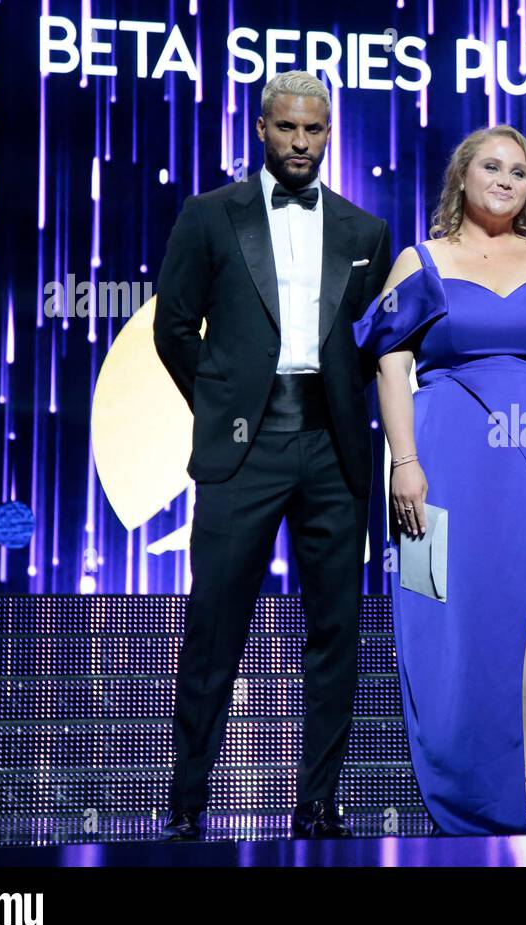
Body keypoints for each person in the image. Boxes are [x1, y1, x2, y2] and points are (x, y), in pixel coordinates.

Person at [152, 70, 392, 841]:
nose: (299, 142)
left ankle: (318, 804)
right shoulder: (210, 215)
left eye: (313, 130)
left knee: (335, 633)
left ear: (329, 135)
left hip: (333, 450)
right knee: (215, 629)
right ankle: (187, 804)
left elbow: (374, 346)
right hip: (243, 452)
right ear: (260, 129)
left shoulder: (364, 232)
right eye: (286, 128)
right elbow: (173, 327)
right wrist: (228, 410)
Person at [354, 125, 526, 835]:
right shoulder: (420, 259)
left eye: (520, 171)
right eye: (491, 166)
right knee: (451, 623)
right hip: (441, 458)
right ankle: (463, 788)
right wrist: (404, 462)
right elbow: (389, 363)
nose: (506, 179)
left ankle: (522, 791)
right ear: (461, 177)